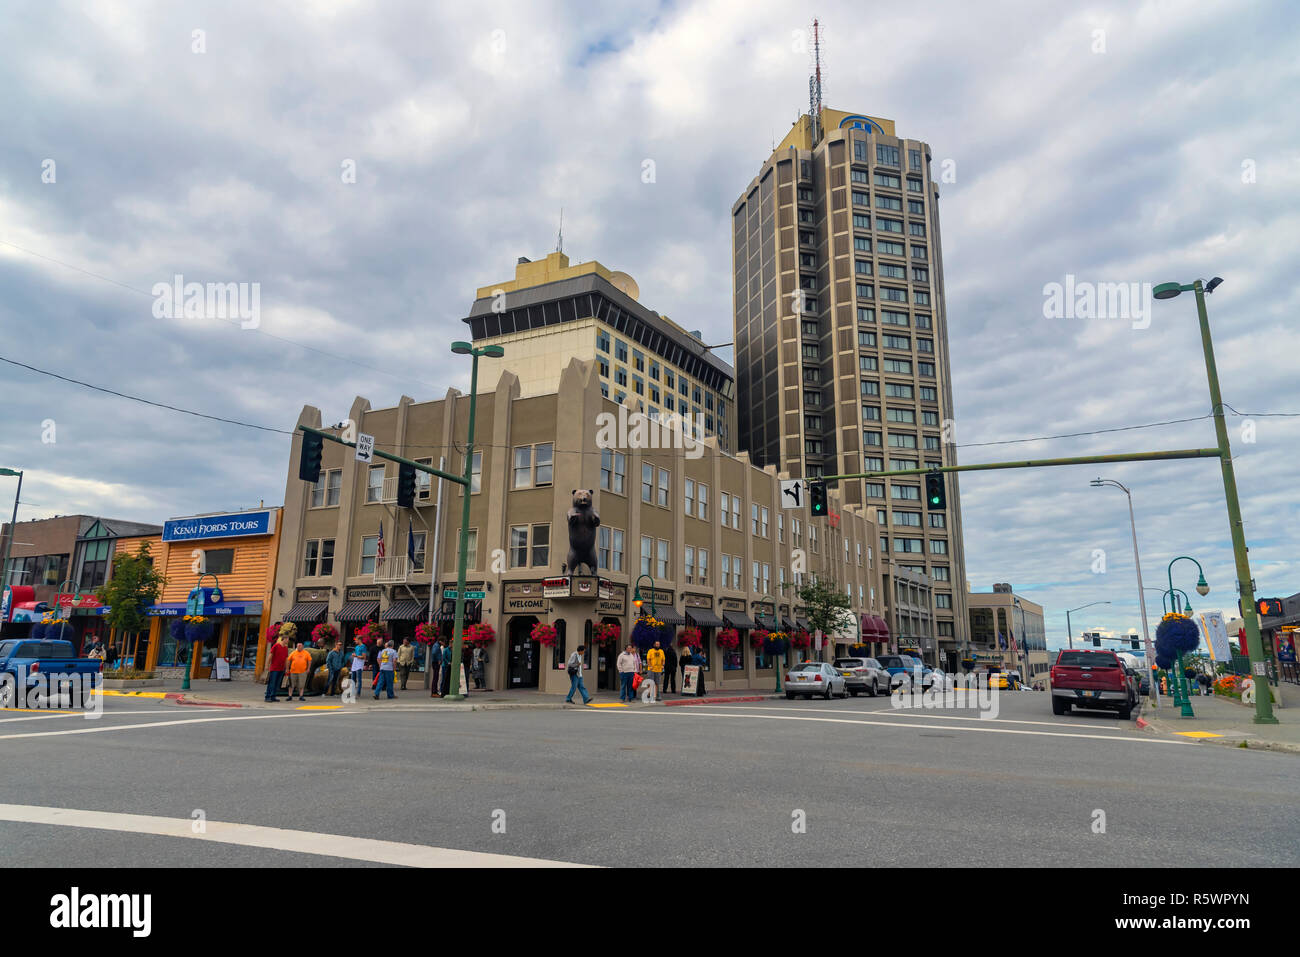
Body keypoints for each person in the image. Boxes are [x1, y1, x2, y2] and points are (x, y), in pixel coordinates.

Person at [264, 633, 290, 702]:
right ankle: (267, 697)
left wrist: (287, 668)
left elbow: (286, 659)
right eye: (287, 639)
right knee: (272, 683)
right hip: (274, 668)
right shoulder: (276, 646)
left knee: (277, 684)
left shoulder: (285, 648)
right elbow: (270, 655)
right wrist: (267, 665)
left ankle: (273, 696)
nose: (288, 641)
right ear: (284, 639)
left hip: (281, 668)